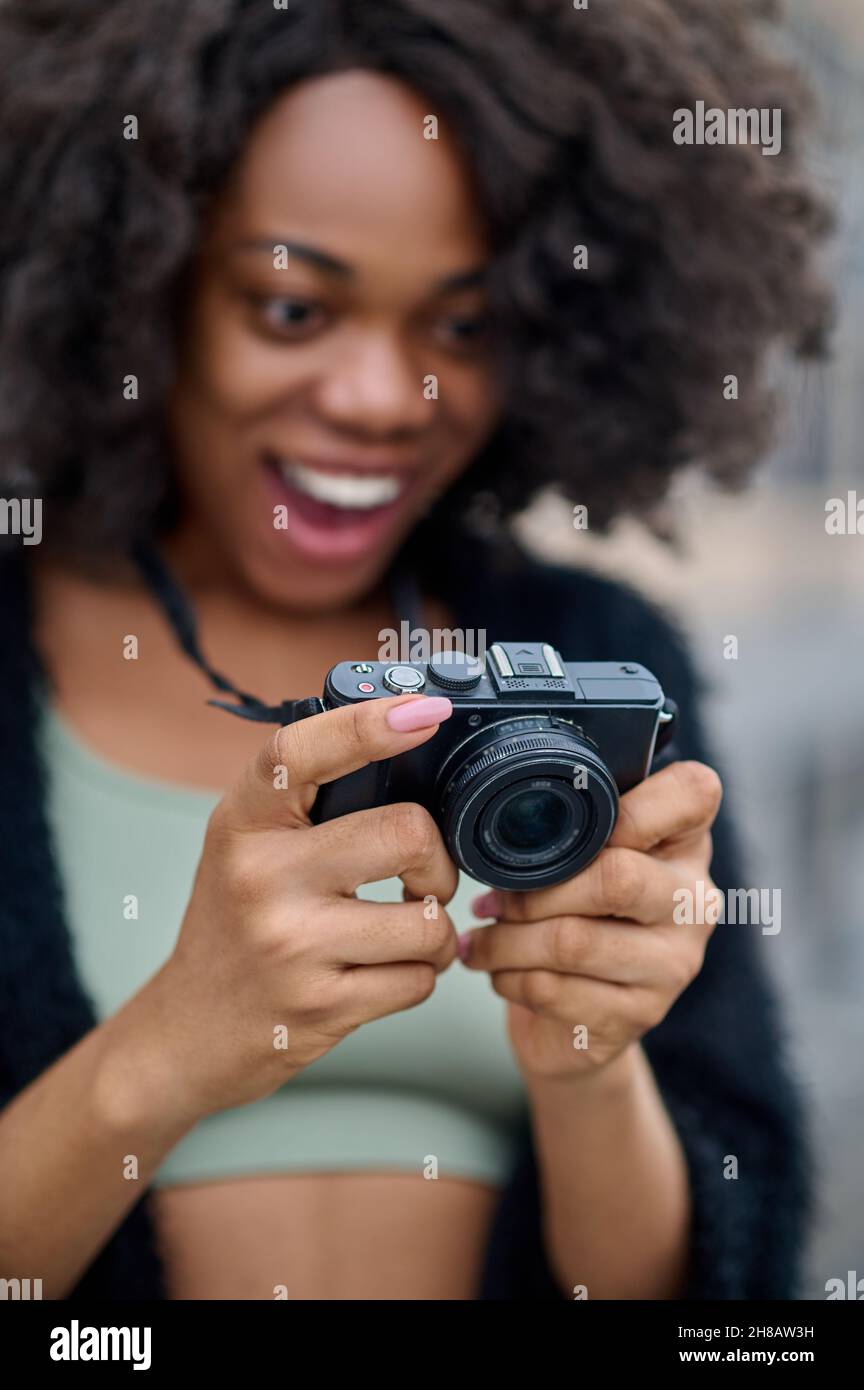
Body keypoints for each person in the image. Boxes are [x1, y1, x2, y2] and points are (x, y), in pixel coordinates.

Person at [0, 0, 830, 1301]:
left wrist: (589, 1066)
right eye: (289, 308)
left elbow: (723, 1295)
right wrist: (165, 1049)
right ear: (134, 289)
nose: (386, 398)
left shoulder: (598, 654)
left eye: (460, 327)